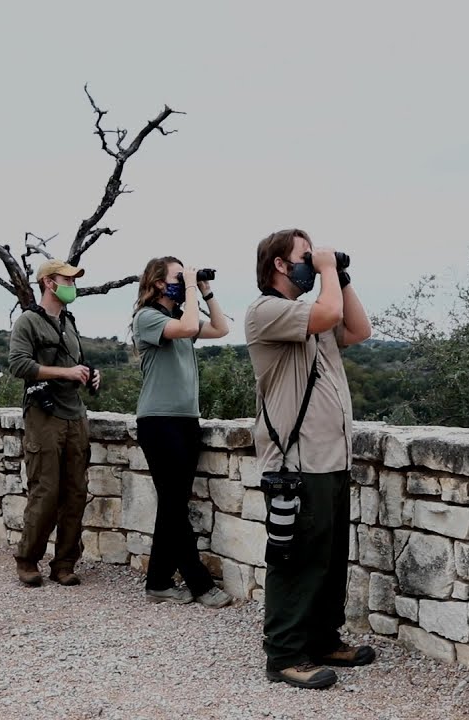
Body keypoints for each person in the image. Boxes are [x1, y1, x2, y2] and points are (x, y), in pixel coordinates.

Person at [244, 228, 376, 689]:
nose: (312, 262)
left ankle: (321, 638)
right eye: (304, 256)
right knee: (295, 558)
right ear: (280, 265)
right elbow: (331, 311)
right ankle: (283, 655)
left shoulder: (307, 315)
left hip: (331, 458)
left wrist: (338, 272)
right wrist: (325, 271)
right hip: (296, 463)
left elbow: (359, 329)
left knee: (329, 557)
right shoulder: (267, 311)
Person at [130, 257, 233, 608]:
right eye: (177, 276)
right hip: (158, 421)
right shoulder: (148, 318)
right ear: (159, 283)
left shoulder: (179, 318)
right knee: (174, 505)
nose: (183, 280)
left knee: (173, 505)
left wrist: (205, 290)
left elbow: (221, 329)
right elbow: (190, 328)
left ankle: (158, 582)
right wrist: (189, 287)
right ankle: (200, 583)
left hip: (186, 419)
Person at [8, 259, 101, 587]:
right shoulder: (28, 322)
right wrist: (65, 373)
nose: (72, 285)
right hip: (44, 415)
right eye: (67, 279)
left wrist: (89, 375)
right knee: (45, 491)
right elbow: (18, 364)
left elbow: (75, 363)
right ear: (48, 282)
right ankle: (27, 559)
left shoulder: (69, 321)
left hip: (75, 415)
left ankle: (64, 564)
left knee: (76, 492)